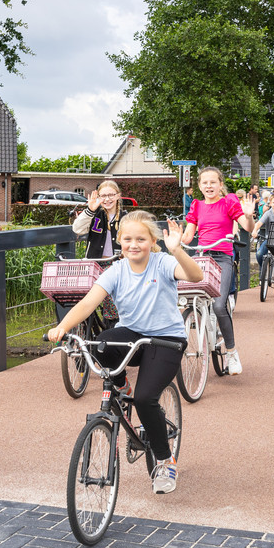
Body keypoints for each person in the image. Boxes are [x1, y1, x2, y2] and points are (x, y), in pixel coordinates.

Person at [47, 211, 201, 494]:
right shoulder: (116, 270)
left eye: (141, 239)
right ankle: (123, 386)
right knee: (101, 343)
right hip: (133, 334)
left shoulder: (163, 262)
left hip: (166, 338)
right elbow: (87, 304)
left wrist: (177, 250)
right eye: (127, 239)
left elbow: (194, 275)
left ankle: (165, 461)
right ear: (119, 241)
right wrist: (63, 327)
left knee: (145, 399)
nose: (134, 244)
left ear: (152, 241)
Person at [182, 167, 255, 375]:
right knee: (184, 296)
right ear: (199, 186)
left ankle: (231, 352)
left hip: (223, 257)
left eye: (213, 182)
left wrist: (249, 216)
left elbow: (247, 227)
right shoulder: (196, 206)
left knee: (219, 305)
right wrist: (177, 239)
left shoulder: (229, 202)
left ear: (220, 184)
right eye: (204, 183)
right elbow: (188, 237)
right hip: (202, 257)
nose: (209, 186)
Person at [72, 179, 127, 258]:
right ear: (98, 197)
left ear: (118, 196)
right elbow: (77, 229)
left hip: (119, 264)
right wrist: (90, 210)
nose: (107, 199)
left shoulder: (125, 217)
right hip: (96, 263)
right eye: (103, 196)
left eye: (111, 195)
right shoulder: (94, 214)